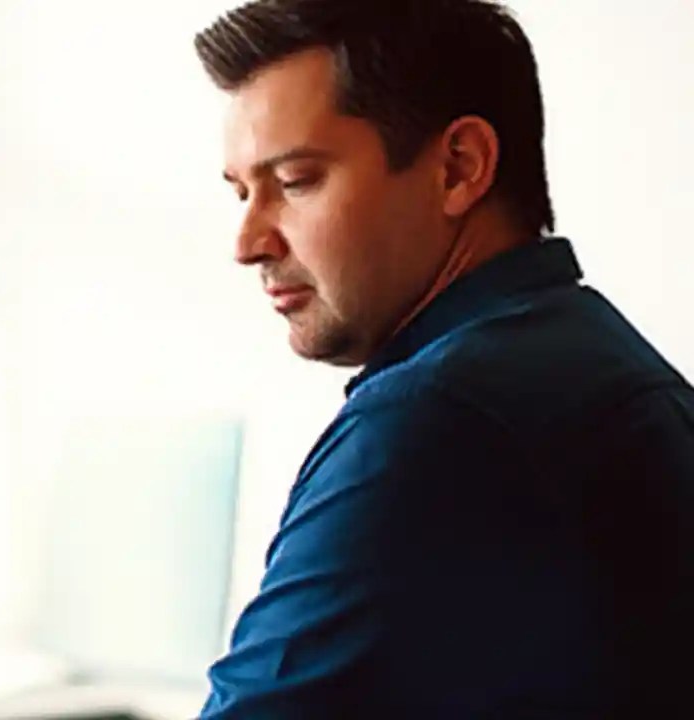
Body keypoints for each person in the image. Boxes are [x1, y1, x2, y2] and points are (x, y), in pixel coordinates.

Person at [192, 0, 694, 716]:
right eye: (243, 193)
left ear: (459, 167)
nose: (248, 243)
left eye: (297, 182)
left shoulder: (437, 420)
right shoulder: (590, 357)